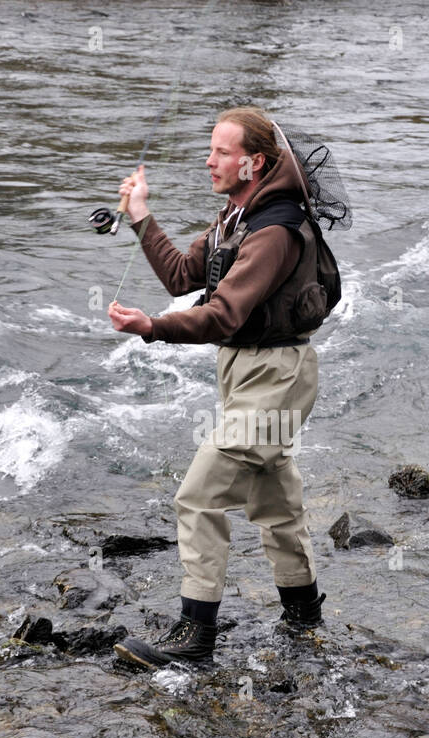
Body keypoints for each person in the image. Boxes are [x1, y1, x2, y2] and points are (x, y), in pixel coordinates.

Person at [107, 105, 327, 670]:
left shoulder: (274, 228)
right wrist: (140, 217)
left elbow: (223, 315)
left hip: (274, 377)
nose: (210, 161)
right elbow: (185, 277)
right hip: (249, 374)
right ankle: (304, 616)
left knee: (198, 496)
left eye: (221, 152)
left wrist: (152, 328)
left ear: (253, 163)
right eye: (211, 150)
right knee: (274, 499)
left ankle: (196, 634)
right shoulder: (235, 217)